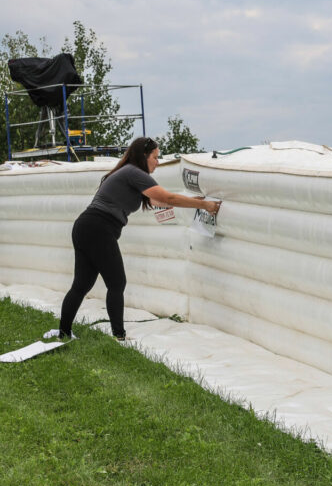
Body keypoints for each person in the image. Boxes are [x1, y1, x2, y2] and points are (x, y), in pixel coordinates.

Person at [53, 136, 221, 341]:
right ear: (144, 156)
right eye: (155, 157)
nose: (158, 163)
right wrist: (206, 206)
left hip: (86, 227)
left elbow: (159, 201)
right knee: (117, 283)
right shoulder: (135, 172)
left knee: (81, 285)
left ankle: (63, 333)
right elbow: (168, 198)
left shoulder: (129, 173)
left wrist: (195, 201)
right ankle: (119, 337)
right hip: (98, 228)